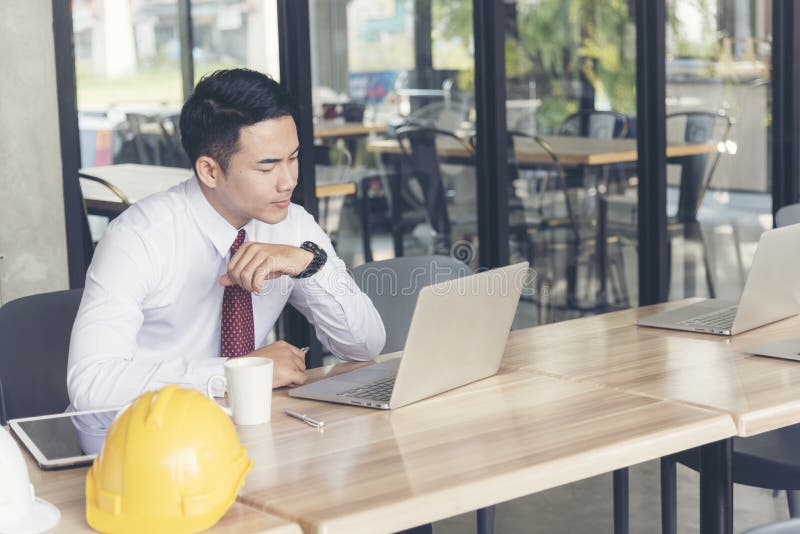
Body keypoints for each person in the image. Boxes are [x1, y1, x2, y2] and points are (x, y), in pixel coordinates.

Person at [67, 69, 386, 410]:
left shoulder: (291, 225)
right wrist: (238, 373)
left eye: (293, 158)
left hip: (248, 426)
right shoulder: (139, 238)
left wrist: (309, 265)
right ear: (209, 171)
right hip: (141, 429)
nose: (288, 181)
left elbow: (365, 346)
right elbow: (91, 384)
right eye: (267, 167)